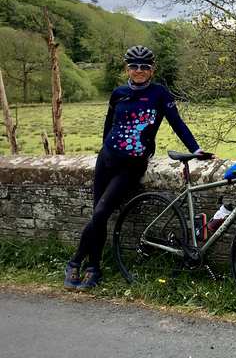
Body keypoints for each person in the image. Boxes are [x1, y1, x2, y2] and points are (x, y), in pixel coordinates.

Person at [64, 45, 208, 290]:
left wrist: (195, 149)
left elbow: (178, 124)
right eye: (134, 66)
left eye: (145, 66)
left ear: (152, 70)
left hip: (131, 166)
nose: (139, 70)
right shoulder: (118, 93)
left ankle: (75, 260)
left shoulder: (160, 94)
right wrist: (108, 150)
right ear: (126, 68)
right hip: (107, 160)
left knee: (100, 213)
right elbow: (108, 127)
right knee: (99, 216)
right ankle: (94, 267)